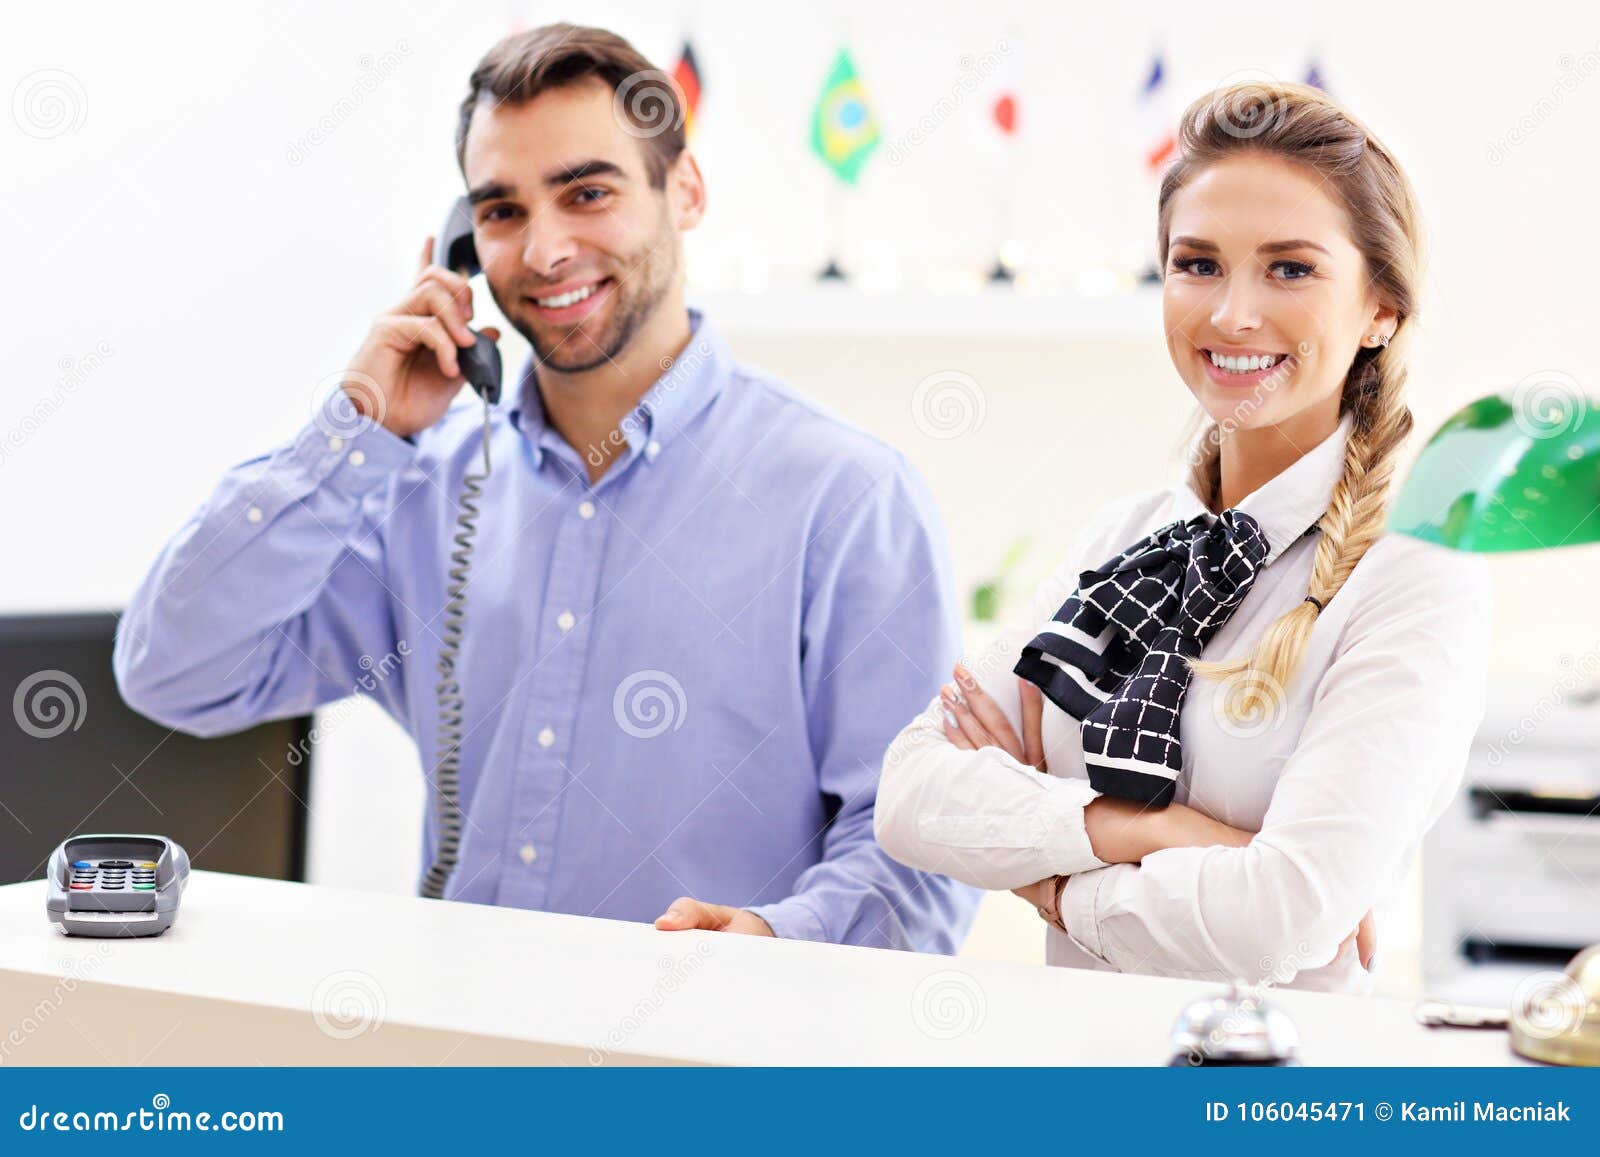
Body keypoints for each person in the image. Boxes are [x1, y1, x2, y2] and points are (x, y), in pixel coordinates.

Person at [114, 24, 978, 953]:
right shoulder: (422, 489)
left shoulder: (845, 498)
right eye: (501, 212)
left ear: (684, 191)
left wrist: (775, 938)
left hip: (716, 1067)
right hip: (463, 1061)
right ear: (460, 245)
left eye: (587, 192)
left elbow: (921, 853)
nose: (544, 249)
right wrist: (357, 428)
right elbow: (174, 669)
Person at [873, 81, 1492, 992]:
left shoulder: (1416, 578)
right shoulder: (1120, 537)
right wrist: (1149, 830)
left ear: (1381, 309)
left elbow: (1277, 918)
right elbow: (913, 795)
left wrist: (1045, 875)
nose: (1233, 315)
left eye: (1290, 268)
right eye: (1198, 263)